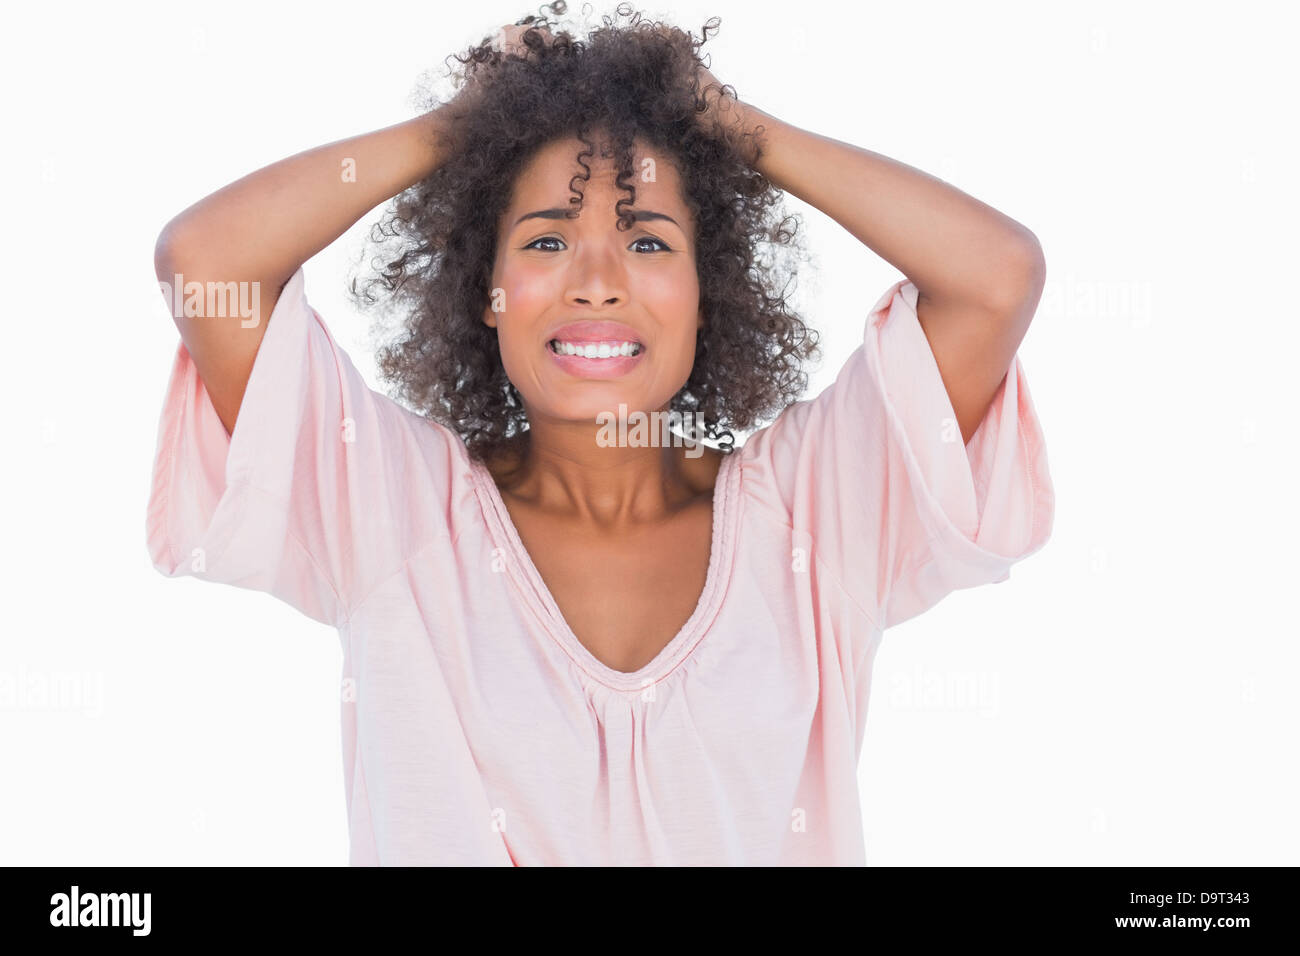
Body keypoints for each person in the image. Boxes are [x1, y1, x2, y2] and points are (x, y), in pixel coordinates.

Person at [146, 3, 1055, 865]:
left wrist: (733, 127)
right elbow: (207, 265)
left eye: (650, 242)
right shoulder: (394, 512)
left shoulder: (814, 519)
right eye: (544, 241)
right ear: (483, 292)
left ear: (711, 299)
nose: (595, 280)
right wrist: (463, 127)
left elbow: (996, 279)